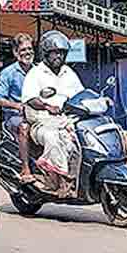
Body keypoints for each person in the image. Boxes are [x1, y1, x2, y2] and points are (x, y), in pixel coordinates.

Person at [20, 30, 83, 195]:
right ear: (46, 54)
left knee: (76, 140)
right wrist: (48, 107)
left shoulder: (69, 73)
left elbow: (81, 94)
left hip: (64, 120)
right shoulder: (36, 74)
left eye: (62, 53)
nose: (58, 57)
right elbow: (30, 99)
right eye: (54, 53)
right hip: (41, 123)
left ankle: (74, 178)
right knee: (53, 138)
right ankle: (60, 180)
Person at [0, 33, 36, 182]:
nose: (27, 52)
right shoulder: (8, 73)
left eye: (30, 49)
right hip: (15, 117)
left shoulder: (38, 71)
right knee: (24, 127)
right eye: (23, 49)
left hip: (36, 114)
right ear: (16, 52)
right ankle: (25, 169)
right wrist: (17, 106)